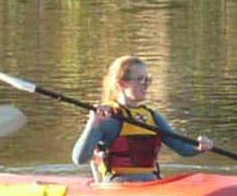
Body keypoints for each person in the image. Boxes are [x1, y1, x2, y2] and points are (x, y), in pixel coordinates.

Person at [72, 55, 213, 181]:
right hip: (117, 186)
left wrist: (200, 147)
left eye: (147, 80)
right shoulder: (107, 119)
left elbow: (182, 148)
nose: (146, 85)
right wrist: (93, 124)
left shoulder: (153, 117)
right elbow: (79, 159)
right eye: (140, 80)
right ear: (122, 83)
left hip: (151, 183)